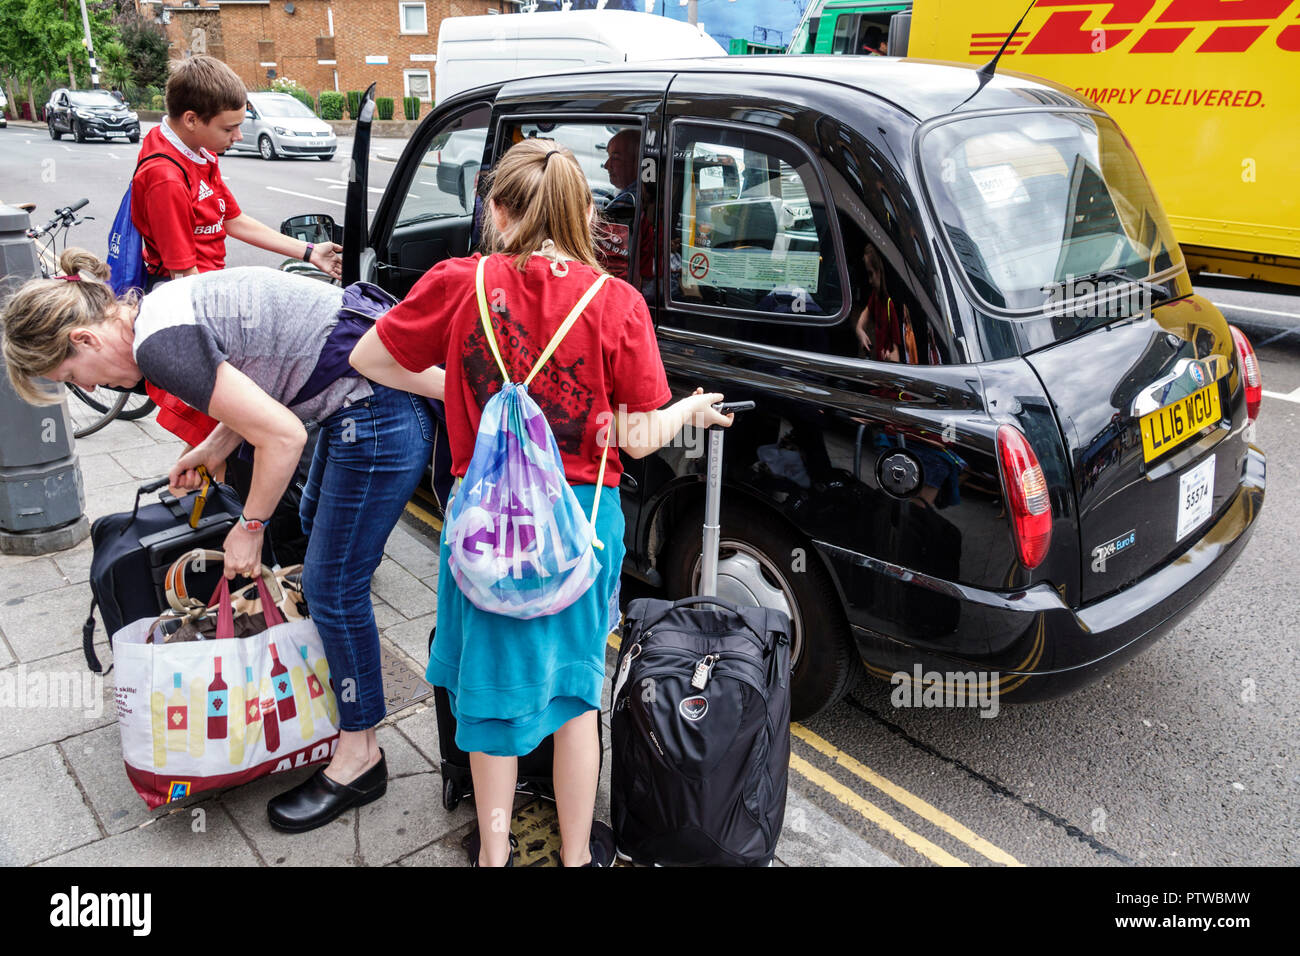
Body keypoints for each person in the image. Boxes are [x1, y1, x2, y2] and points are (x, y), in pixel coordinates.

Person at [350, 138, 733, 866]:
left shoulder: (459, 282)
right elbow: (639, 437)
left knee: (490, 704)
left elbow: (369, 357)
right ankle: (577, 857)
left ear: (497, 210)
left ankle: (494, 856)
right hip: (581, 531)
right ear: (582, 211)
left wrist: (465, 394)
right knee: (575, 702)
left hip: (485, 531)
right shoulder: (614, 302)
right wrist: (688, 410)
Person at [1, 250, 440, 833]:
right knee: (319, 547)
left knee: (333, 586)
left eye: (77, 377)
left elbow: (282, 437)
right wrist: (215, 445)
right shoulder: (157, 312)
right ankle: (339, 700)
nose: (97, 387)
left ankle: (361, 758)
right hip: (357, 397)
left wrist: (249, 528)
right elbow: (265, 375)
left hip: (375, 408)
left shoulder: (160, 347)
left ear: (83, 338)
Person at [131, 54, 344, 449]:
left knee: (238, 430)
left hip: (213, 292)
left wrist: (309, 251)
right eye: (229, 128)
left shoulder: (198, 152)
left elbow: (233, 220)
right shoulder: (164, 178)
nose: (239, 137)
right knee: (225, 430)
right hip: (199, 307)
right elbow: (184, 281)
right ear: (192, 119)